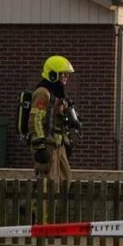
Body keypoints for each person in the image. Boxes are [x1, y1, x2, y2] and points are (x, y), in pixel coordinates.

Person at [28, 55, 77, 184]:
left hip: (58, 145)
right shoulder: (43, 93)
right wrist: (40, 147)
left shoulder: (58, 94)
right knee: (46, 185)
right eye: (63, 74)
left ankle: (57, 205)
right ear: (53, 75)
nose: (67, 77)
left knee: (65, 180)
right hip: (47, 145)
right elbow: (35, 120)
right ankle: (34, 205)